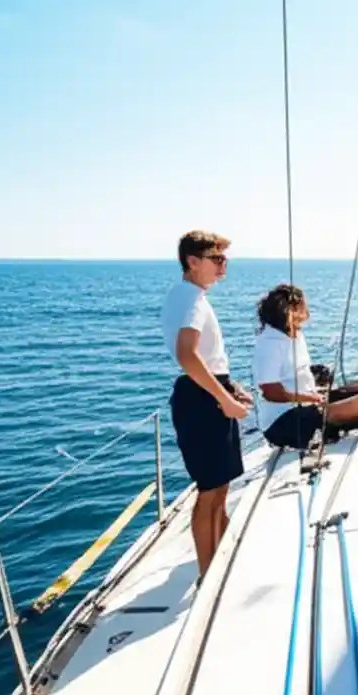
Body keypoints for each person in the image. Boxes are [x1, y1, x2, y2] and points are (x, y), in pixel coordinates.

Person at [161, 229, 252, 580]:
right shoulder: (192, 301)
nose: (223, 265)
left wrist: (231, 386)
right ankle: (207, 575)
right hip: (202, 401)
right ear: (192, 261)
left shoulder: (186, 295)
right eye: (216, 259)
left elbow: (205, 359)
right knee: (209, 491)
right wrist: (224, 399)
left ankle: (221, 563)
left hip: (204, 393)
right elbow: (187, 355)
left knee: (220, 487)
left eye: (224, 258)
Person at [252, 284, 358, 449]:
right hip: (283, 421)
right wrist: (310, 398)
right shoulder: (270, 343)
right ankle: (332, 426)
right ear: (291, 310)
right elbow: (271, 392)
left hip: (309, 404)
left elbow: (292, 371)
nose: (308, 313)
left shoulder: (295, 334)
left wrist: (314, 383)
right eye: (303, 307)